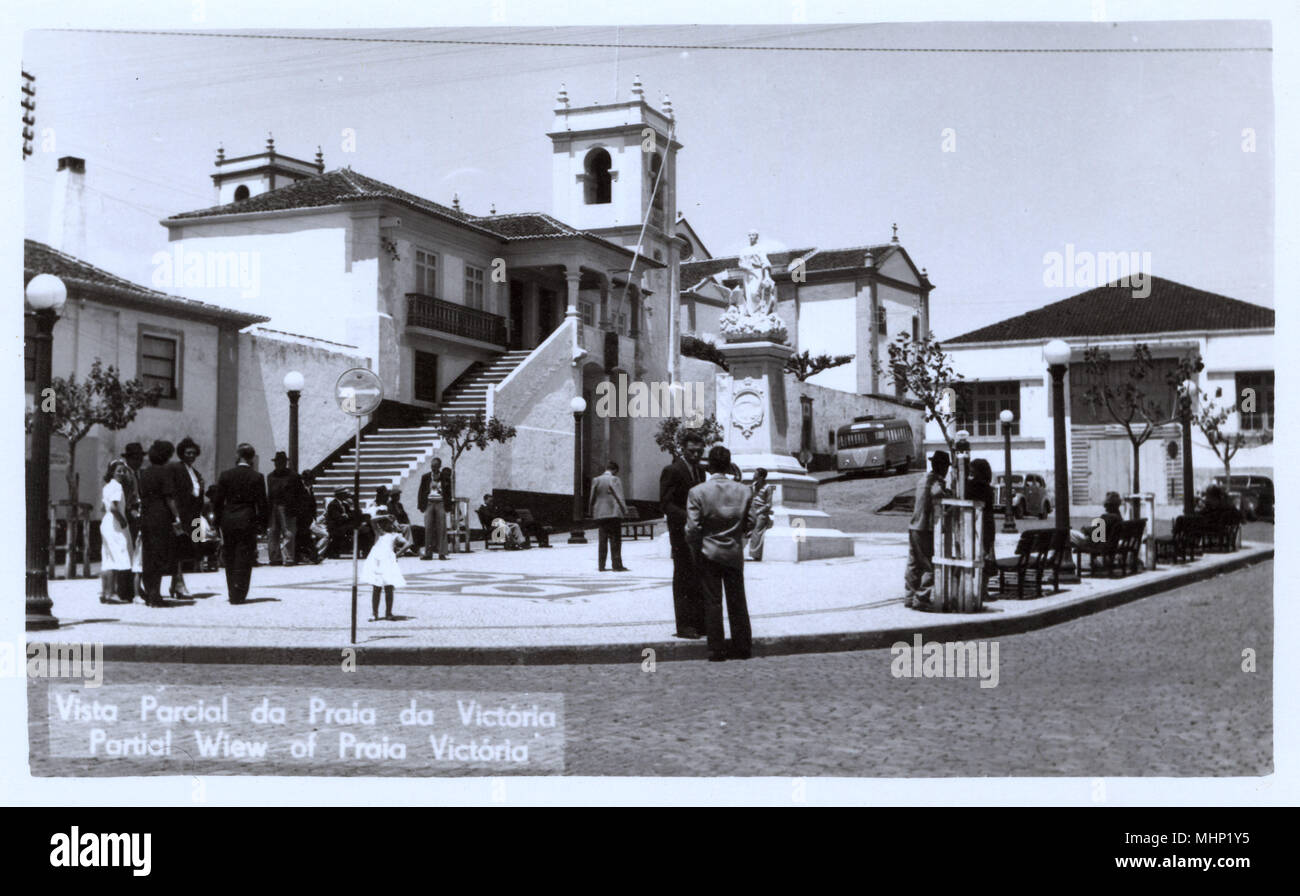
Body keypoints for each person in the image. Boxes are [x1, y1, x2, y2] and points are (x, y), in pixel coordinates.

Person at [686, 445, 755, 662]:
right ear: (728, 465)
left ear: (709, 466)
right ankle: (742, 646)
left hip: (709, 550)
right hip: (733, 550)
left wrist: (697, 545)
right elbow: (751, 521)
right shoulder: (744, 490)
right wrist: (737, 534)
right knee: (737, 600)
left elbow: (692, 528)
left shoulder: (698, 492)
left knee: (713, 602)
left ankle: (716, 649)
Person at [661, 433, 707, 638]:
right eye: (692, 451)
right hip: (680, 533)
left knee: (698, 577)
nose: (696, 454)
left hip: (698, 534)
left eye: (699, 451)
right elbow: (666, 503)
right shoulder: (672, 470)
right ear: (683, 449)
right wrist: (688, 517)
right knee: (683, 577)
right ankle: (684, 626)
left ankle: (699, 622)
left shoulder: (701, 472)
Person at [212, 442, 269, 604]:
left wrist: (217, 521)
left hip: (228, 519)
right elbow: (262, 503)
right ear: (251, 458)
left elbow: (218, 501)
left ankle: (232, 591)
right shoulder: (257, 477)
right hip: (247, 519)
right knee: (244, 556)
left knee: (229, 555)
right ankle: (240, 592)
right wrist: (262, 525)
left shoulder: (225, 475)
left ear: (238, 456)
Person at [139, 440, 184, 607]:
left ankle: (150, 592)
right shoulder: (165, 472)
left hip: (146, 515)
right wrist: (177, 516)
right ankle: (155, 594)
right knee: (159, 555)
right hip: (161, 516)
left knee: (148, 555)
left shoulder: (145, 473)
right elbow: (169, 497)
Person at [905, 450, 952, 610]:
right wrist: (948, 495)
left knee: (913, 563)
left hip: (914, 525)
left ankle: (909, 596)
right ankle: (922, 598)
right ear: (943, 467)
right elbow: (937, 494)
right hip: (925, 527)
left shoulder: (923, 478)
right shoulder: (935, 481)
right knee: (928, 564)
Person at [166, 436, 205, 597]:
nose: (191, 455)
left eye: (193, 453)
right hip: (181, 516)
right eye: (188, 453)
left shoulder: (195, 472)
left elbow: (197, 495)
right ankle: (179, 584)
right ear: (182, 453)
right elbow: (173, 494)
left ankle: (175, 585)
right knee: (178, 550)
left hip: (194, 517)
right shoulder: (175, 468)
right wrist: (176, 517)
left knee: (189, 550)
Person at [98, 460, 134, 604]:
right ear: (112, 472)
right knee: (118, 555)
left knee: (108, 557)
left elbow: (103, 507)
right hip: (115, 523)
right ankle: (112, 593)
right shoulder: (117, 486)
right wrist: (123, 520)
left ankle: (105, 592)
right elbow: (113, 508)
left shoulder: (107, 487)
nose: (121, 473)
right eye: (118, 470)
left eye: (124, 471)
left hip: (106, 522)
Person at [362, 515, 408, 621]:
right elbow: (373, 520)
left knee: (389, 588)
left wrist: (397, 554)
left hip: (388, 562)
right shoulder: (379, 533)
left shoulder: (395, 535)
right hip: (377, 562)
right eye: (384, 523)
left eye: (389, 523)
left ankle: (388, 613)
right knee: (376, 588)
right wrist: (385, 516)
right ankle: (374, 613)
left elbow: (407, 543)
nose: (387, 525)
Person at [966, 458, 998, 598]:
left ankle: (976, 590)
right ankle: (982, 590)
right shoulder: (988, 489)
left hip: (975, 524)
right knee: (986, 555)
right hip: (987, 525)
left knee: (977, 555)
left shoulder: (970, 486)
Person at [588, 461, 629, 571]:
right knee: (615, 540)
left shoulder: (596, 480)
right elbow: (619, 496)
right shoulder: (615, 479)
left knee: (602, 540)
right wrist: (624, 509)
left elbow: (592, 497)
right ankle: (616, 565)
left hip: (600, 513)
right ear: (615, 470)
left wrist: (590, 510)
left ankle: (601, 565)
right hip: (613, 513)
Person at [121, 442, 146, 600]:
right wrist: (132, 512)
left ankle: (134, 587)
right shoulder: (126, 474)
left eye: (140, 458)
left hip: (136, 513)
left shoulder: (137, 473)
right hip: (129, 515)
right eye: (135, 458)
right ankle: (128, 589)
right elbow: (126, 498)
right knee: (130, 553)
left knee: (135, 553)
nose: (138, 461)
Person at [266, 450, 299, 566]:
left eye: (281, 462)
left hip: (288, 507)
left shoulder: (293, 476)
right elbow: (269, 494)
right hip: (274, 506)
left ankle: (289, 557)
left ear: (285, 462)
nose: (279, 464)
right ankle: (275, 558)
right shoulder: (270, 477)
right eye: (277, 462)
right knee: (273, 532)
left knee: (288, 532)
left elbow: (298, 494)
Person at [325, 487, 371, 558]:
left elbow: (355, 514)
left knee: (366, 526)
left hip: (345, 526)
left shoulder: (344, 504)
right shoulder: (333, 504)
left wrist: (354, 503)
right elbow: (339, 519)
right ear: (340, 495)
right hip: (337, 528)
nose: (347, 495)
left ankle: (365, 551)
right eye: (345, 494)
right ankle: (364, 551)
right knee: (362, 529)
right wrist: (348, 516)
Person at [417, 459, 449, 560]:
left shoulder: (444, 477)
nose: (433, 468)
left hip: (440, 502)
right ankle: (428, 553)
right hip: (429, 503)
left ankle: (442, 552)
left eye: (435, 466)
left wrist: (448, 505)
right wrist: (421, 505)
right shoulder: (426, 477)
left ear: (439, 466)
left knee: (442, 527)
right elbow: (421, 491)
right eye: (432, 466)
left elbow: (449, 492)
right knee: (428, 527)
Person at [293, 470, 322, 564]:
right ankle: (311, 557)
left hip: (308, 518)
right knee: (303, 538)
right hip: (301, 517)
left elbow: (312, 504)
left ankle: (311, 556)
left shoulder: (310, 488)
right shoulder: (299, 489)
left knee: (305, 537)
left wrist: (313, 516)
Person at [747, 468, 774, 561]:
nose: (753, 475)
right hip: (752, 509)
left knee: (757, 529)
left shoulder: (767, 487)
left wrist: (759, 511)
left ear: (761, 477)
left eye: (755, 474)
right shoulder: (753, 486)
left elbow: (769, 504)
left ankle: (754, 554)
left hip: (762, 511)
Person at [385, 487, 416, 556]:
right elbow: (390, 517)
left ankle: (408, 548)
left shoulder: (399, 505)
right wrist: (395, 524)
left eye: (398, 495)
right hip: (393, 524)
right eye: (396, 495)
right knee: (406, 528)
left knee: (409, 527)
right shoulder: (389, 505)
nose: (398, 497)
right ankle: (407, 548)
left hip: (401, 524)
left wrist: (408, 522)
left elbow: (405, 515)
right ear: (393, 497)